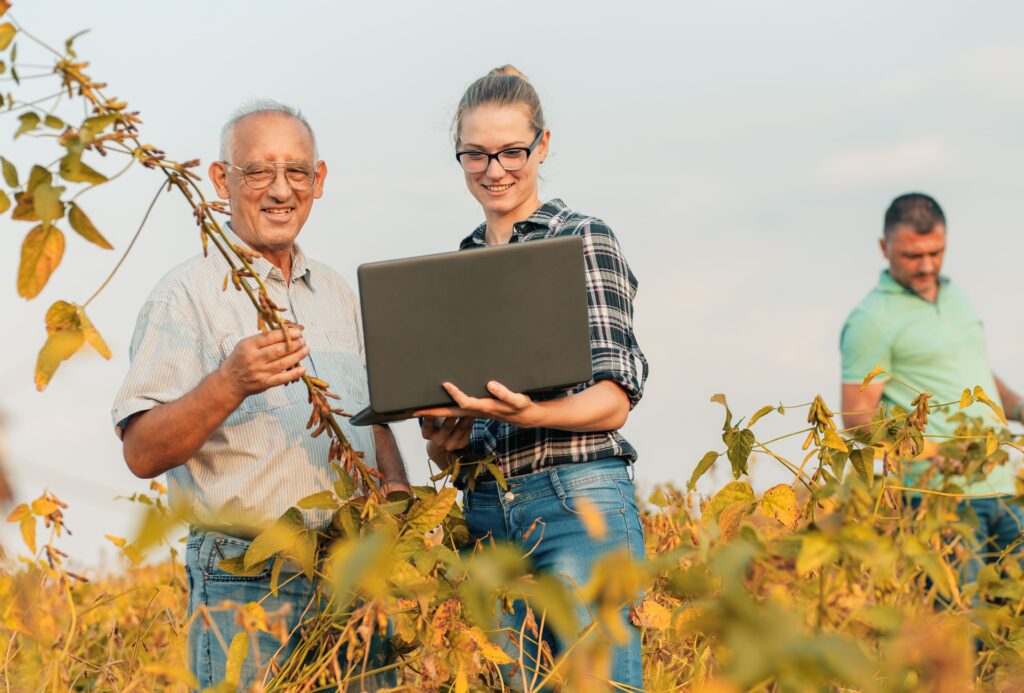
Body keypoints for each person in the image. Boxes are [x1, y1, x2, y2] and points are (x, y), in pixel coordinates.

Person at [111, 101, 410, 689]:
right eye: (258, 172)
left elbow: (370, 420)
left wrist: (394, 488)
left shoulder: (336, 291)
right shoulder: (184, 295)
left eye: (296, 172)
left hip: (353, 574)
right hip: (246, 578)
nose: (280, 190)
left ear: (318, 181)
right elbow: (142, 452)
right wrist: (228, 383)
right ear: (221, 181)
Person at [417, 65, 649, 688]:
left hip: (578, 500)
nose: (495, 170)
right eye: (476, 154)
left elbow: (614, 398)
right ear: (459, 155)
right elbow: (457, 442)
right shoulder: (458, 267)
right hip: (489, 511)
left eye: (512, 151)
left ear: (542, 146)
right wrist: (447, 438)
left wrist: (532, 414)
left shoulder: (582, 238)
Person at [840, 192, 1024, 584]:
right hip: (937, 499)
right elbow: (857, 418)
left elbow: (977, 377)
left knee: (1013, 627)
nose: (927, 266)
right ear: (883, 248)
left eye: (936, 252)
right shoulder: (871, 320)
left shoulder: (957, 296)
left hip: (1001, 490)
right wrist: (934, 451)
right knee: (961, 628)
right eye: (912, 256)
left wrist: (1019, 408)